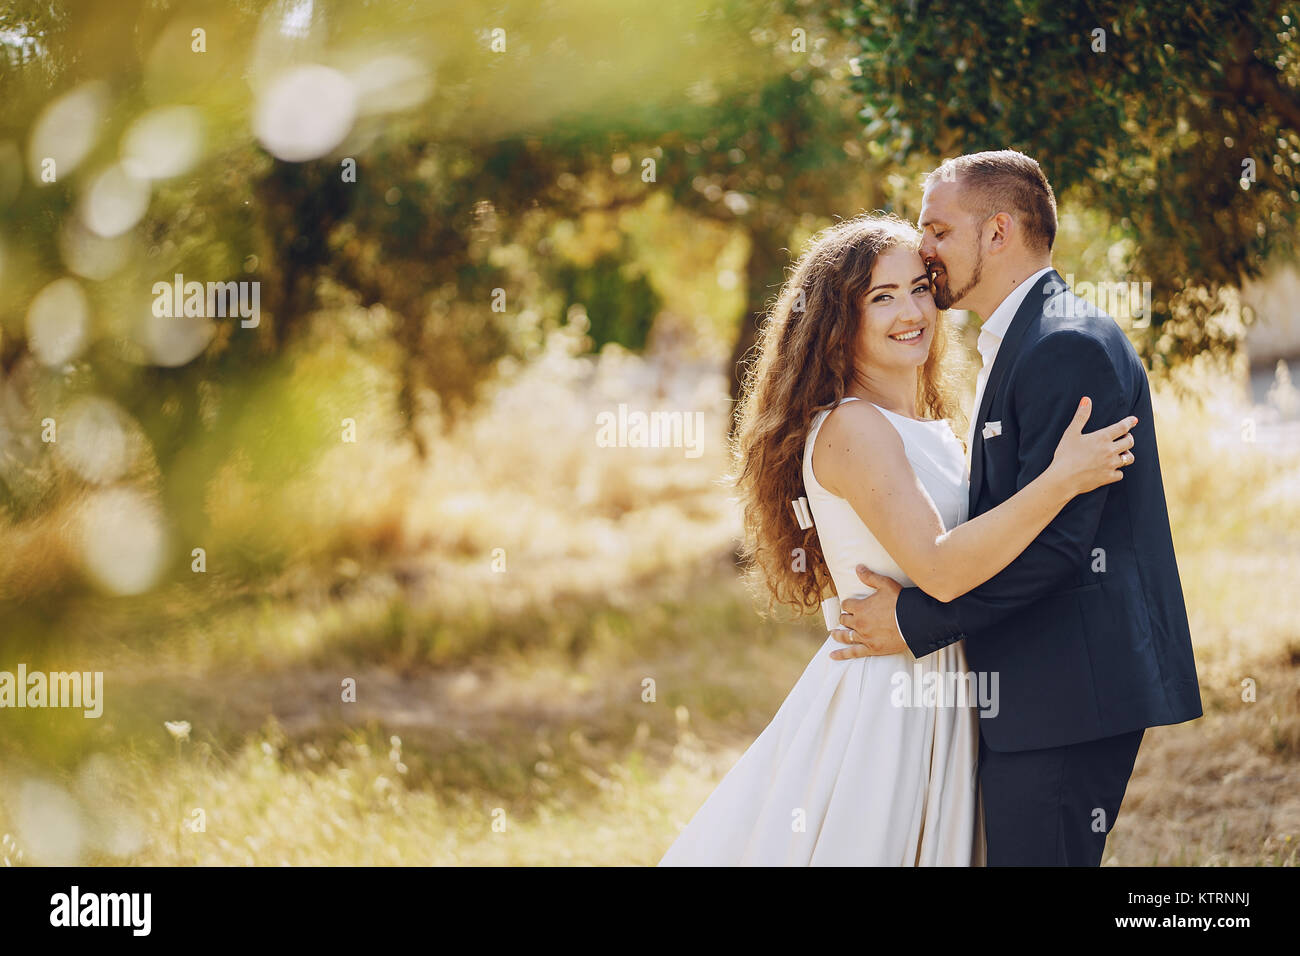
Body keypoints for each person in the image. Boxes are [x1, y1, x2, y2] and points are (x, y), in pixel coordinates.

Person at [659, 202, 1139, 865]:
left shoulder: (928, 421)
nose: (911, 312)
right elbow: (940, 568)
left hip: (943, 680)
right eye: (881, 297)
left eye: (920, 287)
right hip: (888, 703)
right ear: (837, 320)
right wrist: (1061, 479)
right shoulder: (854, 427)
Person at [834, 150, 1203, 866]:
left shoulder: (1065, 346)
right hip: (1040, 689)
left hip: (1067, 690)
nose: (925, 247)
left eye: (937, 230)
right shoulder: (1023, 337)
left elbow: (1060, 548)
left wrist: (916, 621)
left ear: (997, 232)